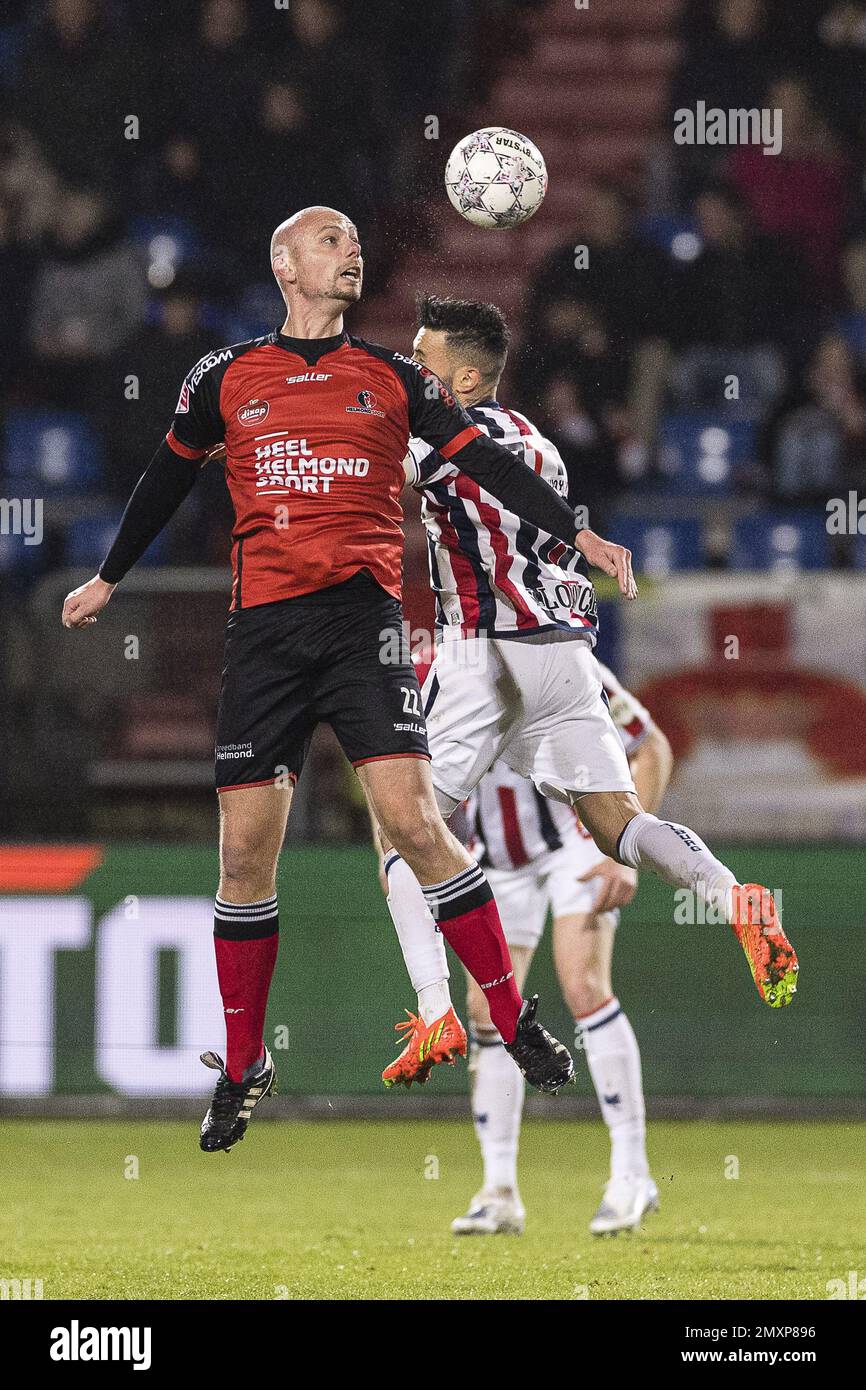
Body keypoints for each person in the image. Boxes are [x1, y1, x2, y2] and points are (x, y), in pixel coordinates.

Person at [61, 207, 637, 1151]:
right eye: (329, 239)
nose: (351, 250)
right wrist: (109, 576)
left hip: (364, 629)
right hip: (263, 637)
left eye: (355, 241)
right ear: (285, 262)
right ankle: (244, 1065)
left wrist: (576, 530)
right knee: (245, 854)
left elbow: (486, 461)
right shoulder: (225, 377)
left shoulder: (395, 378)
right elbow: (165, 479)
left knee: (414, 823)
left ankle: (509, 1011)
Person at [374, 295, 798, 1092]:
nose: (410, 376)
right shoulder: (541, 445)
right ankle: (736, 898)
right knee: (616, 825)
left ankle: (434, 1007)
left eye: (422, 363)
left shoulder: (442, 440)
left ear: (463, 376)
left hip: (481, 654)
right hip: (564, 658)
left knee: (400, 828)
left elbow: (364, 470)